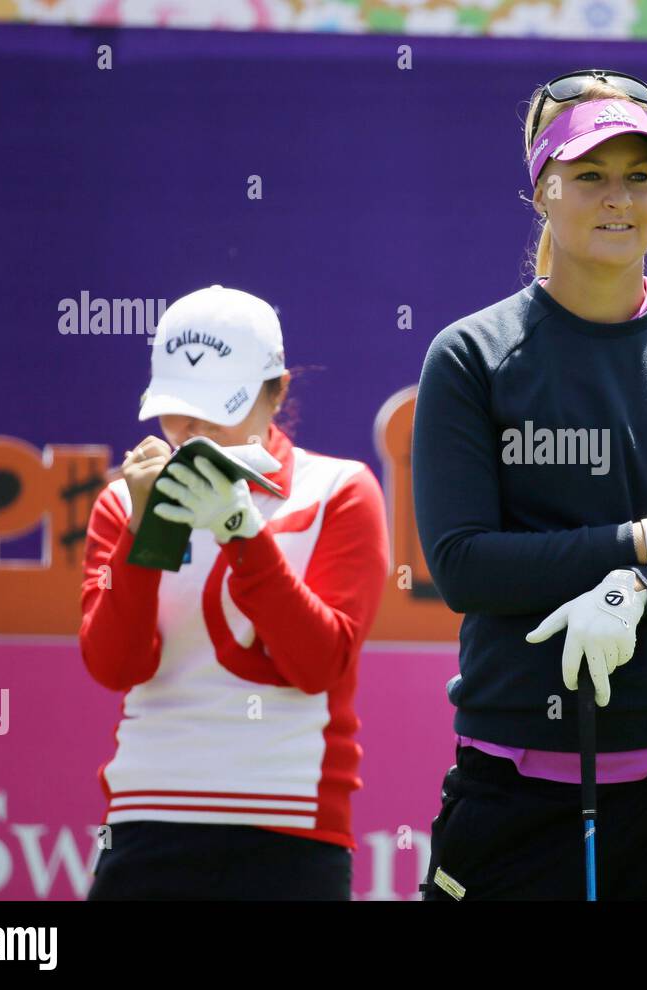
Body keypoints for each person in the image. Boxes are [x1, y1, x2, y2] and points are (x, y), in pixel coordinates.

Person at [412, 69, 647, 900]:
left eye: (639, 177)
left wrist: (636, 594)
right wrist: (644, 545)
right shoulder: (472, 355)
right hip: (514, 782)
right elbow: (464, 565)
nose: (617, 198)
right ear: (543, 189)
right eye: (589, 176)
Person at [79, 284, 390, 900]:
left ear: (275, 392)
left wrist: (241, 532)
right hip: (148, 823)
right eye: (176, 408)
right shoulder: (123, 499)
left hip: (294, 831)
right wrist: (144, 533)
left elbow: (318, 663)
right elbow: (116, 664)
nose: (189, 427)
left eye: (214, 406)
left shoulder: (339, 490)